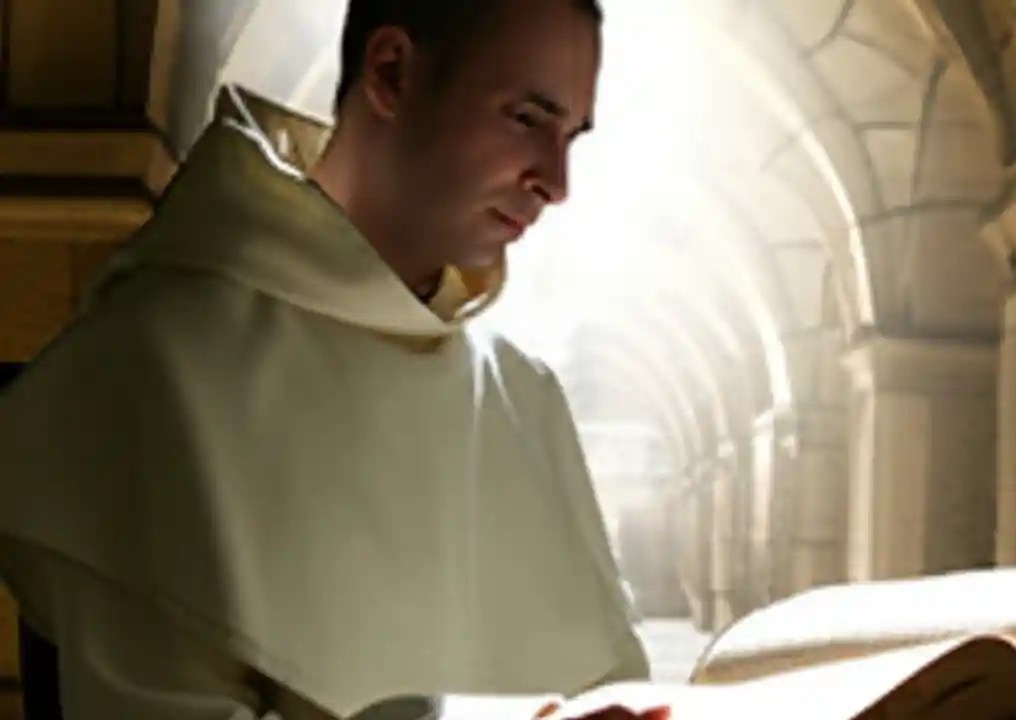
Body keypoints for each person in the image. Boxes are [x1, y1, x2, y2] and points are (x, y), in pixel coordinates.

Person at [0, 0, 666, 717]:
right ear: (392, 74)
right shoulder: (153, 367)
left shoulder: (523, 396)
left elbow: (610, 688)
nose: (556, 182)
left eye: (571, 136)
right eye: (527, 118)